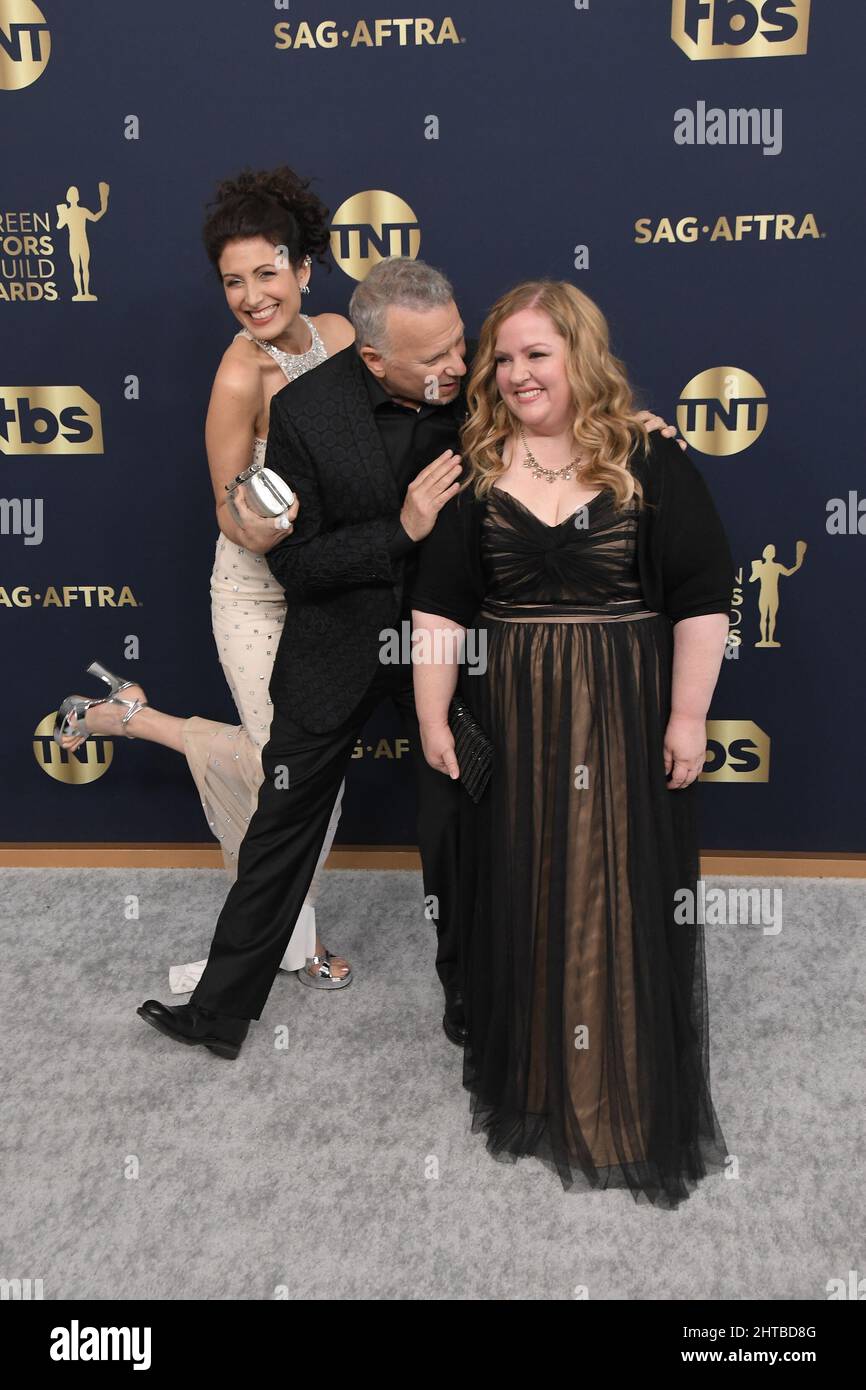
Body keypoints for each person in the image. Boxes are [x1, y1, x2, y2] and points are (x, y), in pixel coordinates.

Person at [132, 257, 680, 1062]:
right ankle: (217, 1012)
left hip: (454, 646)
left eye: (462, 346)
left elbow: (569, 410)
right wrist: (404, 526)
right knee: (282, 823)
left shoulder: (483, 389)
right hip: (338, 644)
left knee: (457, 826)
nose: (461, 368)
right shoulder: (307, 416)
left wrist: (637, 431)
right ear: (374, 359)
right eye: (436, 359)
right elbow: (296, 564)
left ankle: (470, 1000)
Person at [410, 280, 733, 1209]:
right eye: (502, 359)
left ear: (579, 356)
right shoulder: (471, 469)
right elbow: (438, 606)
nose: (515, 375)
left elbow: (704, 595)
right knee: (525, 876)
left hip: (624, 712)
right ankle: (543, 1077)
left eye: (535, 355)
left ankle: (616, 1087)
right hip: (511, 716)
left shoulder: (649, 459)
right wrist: (434, 715)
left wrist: (685, 717)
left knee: (612, 882)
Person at [53, 167, 352, 989]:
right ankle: (290, 943)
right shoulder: (238, 373)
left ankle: (135, 717)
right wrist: (255, 523)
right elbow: (227, 505)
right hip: (255, 591)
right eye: (233, 282)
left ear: (303, 269)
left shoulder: (342, 337)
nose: (253, 296)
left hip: (335, 590)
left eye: (266, 273)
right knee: (290, 771)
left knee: (309, 770)